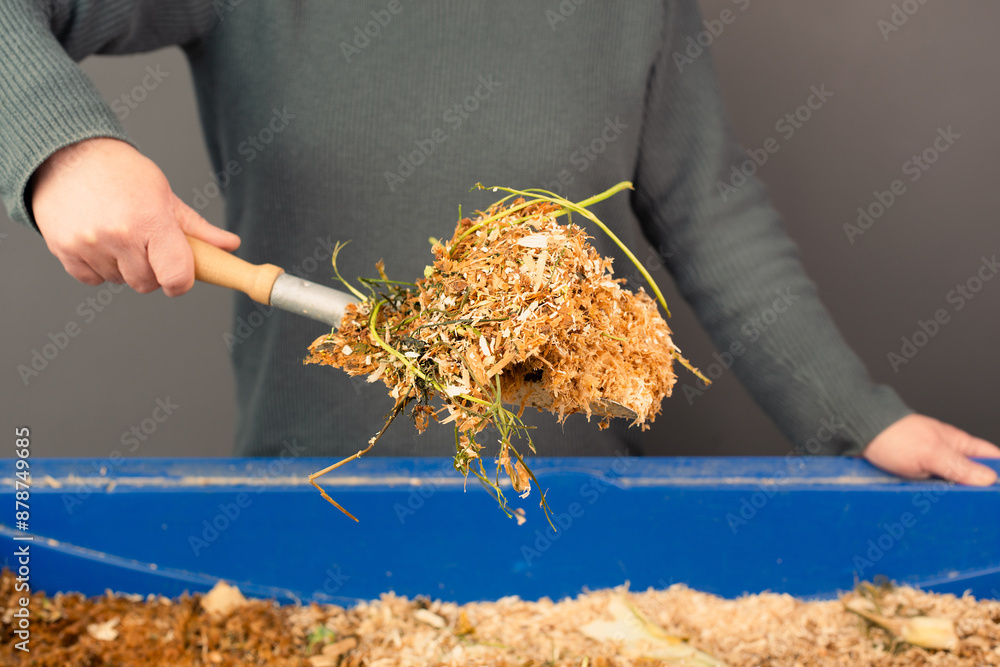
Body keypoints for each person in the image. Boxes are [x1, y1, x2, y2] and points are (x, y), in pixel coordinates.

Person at [2, 0, 997, 484]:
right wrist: (61, 147)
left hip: (576, 504)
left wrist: (855, 417)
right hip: (315, 496)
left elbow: (710, 210)